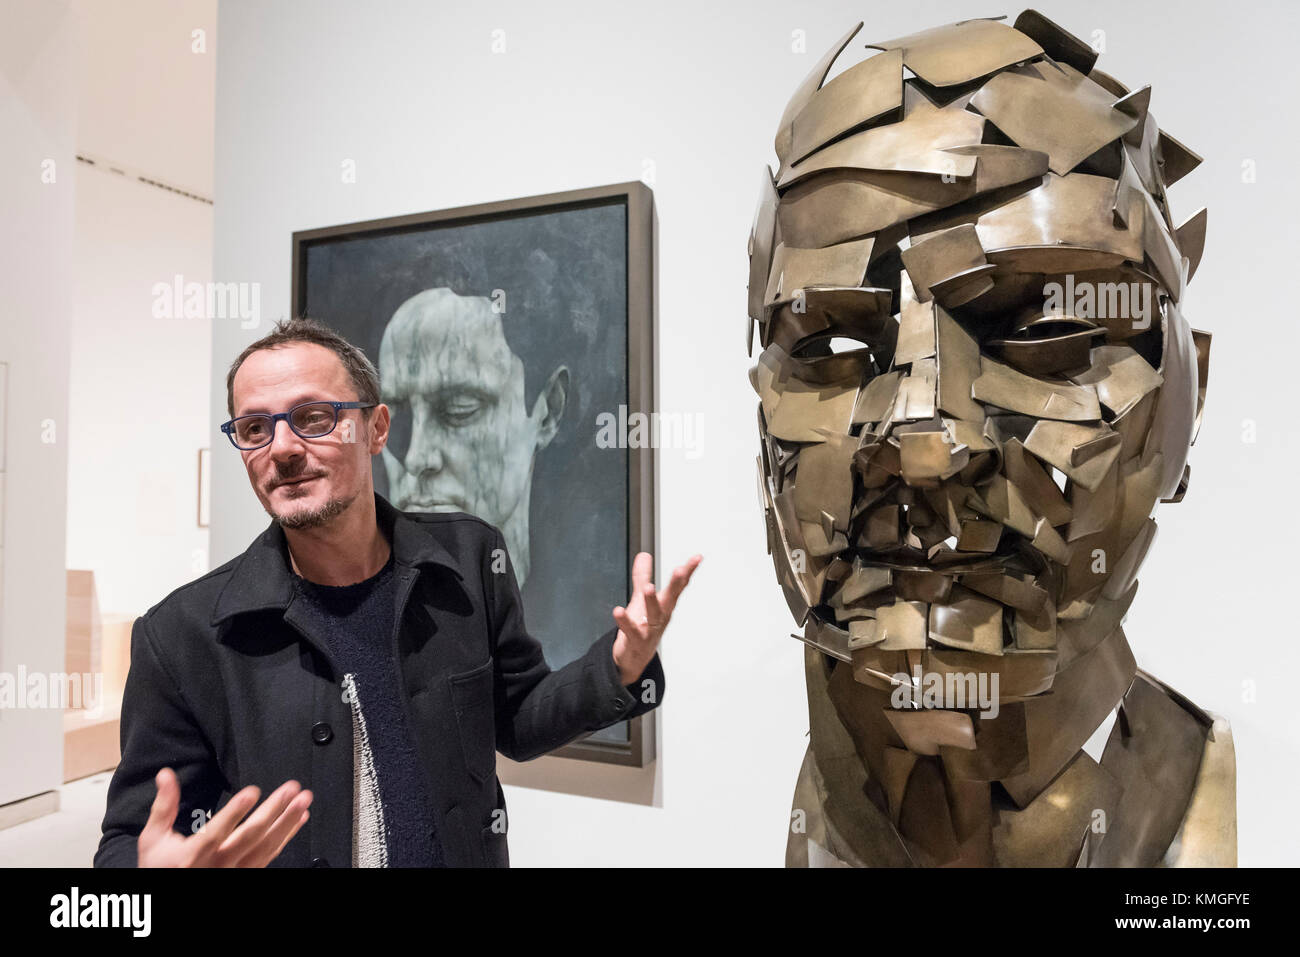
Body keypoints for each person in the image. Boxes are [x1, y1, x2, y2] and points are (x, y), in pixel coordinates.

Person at [94, 317, 701, 867]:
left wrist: (620, 666)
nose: (280, 448)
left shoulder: (466, 561)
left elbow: (517, 719)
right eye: (254, 428)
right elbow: (128, 843)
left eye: (312, 418)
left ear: (375, 428)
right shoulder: (182, 635)